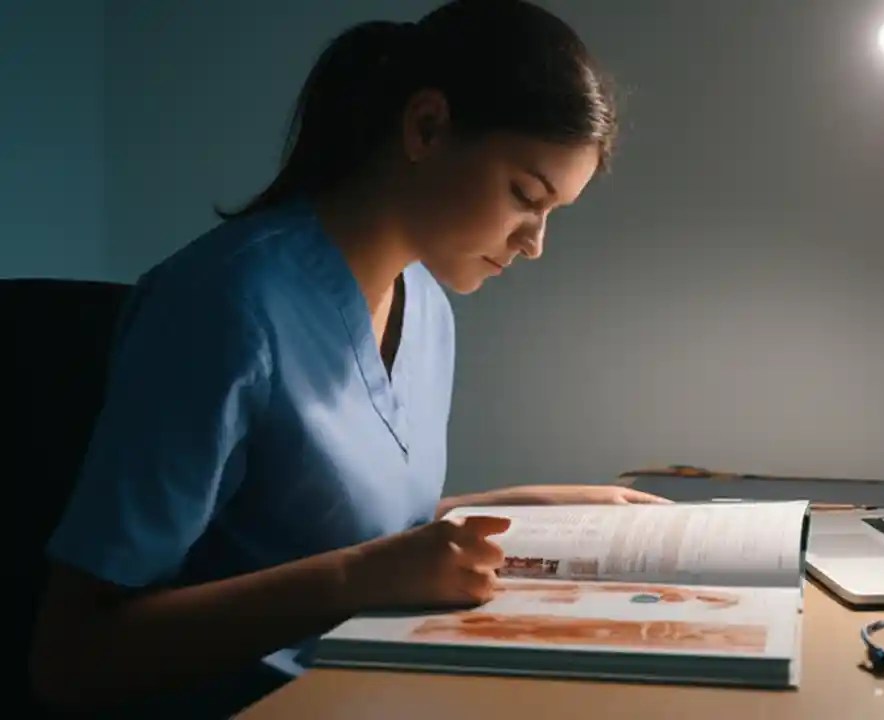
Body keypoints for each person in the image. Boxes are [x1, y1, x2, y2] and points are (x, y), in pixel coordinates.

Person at [28, 1, 666, 716]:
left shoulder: (426, 305)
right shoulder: (224, 307)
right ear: (427, 127)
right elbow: (75, 657)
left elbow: (323, 525)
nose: (534, 242)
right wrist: (359, 578)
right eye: (525, 196)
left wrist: (521, 508)